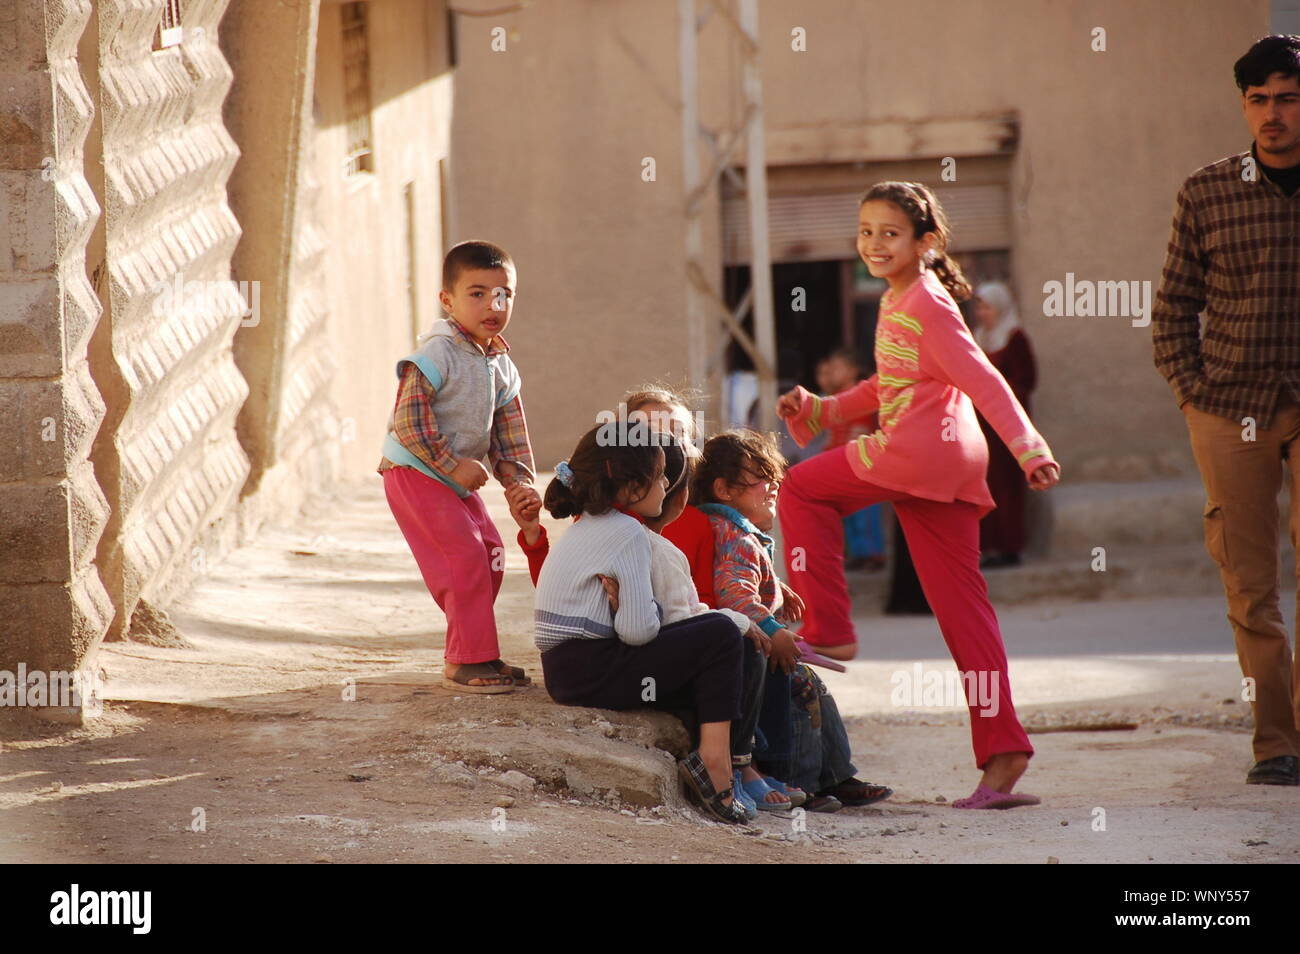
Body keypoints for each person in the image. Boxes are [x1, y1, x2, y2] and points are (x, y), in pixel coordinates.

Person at [777, 181, 1061, 808]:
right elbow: (890, 383)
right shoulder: (902, 297)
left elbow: (985, 379)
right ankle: (1004, 751)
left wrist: (1031, 448)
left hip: (917, 453)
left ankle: (829, 626)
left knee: (799, 487)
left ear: (925, 242)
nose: (874, 244)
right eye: (866, 232)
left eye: (890, 233)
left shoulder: (927, 304)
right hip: (947, 464)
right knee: (966, 615)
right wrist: (823, 409)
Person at [1152, 35, 1300, 787]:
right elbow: (1173, 307)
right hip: (1229, 406)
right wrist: (1191, 392)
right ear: (1244, 105)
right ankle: (1276, 742)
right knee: (1249, 585)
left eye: (1286, 97)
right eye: (1258, 100)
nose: (1271, 114)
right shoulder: (1207, 191)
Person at [530, 422, 750, 823]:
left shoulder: (590, 527)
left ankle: (710, 754)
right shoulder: (629, 533)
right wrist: (645, 608)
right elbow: (639, 632)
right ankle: (716, 762)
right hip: (592, 669)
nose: (667, 483)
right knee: (720, 632)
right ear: (632, 489)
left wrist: (636, 608)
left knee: (708, 639)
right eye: (660, 475)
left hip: (567, 670)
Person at [693, 428, 894, 812]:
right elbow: (734, 592)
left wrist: (776, 585)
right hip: (749, 646)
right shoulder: (733, 534)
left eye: (774, 479)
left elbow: (741, 575)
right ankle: (803, 781)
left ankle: (835, 776)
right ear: (724, 489)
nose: (773, 487)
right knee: (801, 689)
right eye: (760, 478)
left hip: (748, 641)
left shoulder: (731, 529)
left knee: (813, 687)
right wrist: (774, 630)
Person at [378, 240, 540, 694]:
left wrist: (518, 485)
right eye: (477, 293)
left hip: (452, 478)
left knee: (490, 555)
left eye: (503, 293)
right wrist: (452, 465)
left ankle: (476, 655)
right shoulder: (437, 353)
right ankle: (465, 661)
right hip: (415, 472)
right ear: (447, 300)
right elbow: (409, 423)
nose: (493, 303)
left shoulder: (500, 364)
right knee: (464, 555)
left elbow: (509, 436)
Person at [971, 281, 1039, 569]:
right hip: (981, 425)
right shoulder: (978, 338)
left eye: (986, 307)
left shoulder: (1015, 337)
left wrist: (997, 392)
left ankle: (1010, 546)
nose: (982, 313)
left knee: (1008, 485)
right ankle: (989, 548)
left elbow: (1027, 380)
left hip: (1008, 425)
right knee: (985, 485)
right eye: (979, 307)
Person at [821, 349, 887, 572]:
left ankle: (872, 554)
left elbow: (858, 432)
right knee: (850, 513)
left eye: (837, 368)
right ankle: (859, 554)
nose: (831, 373)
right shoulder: (838, 397)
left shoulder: (856, 396)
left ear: (852, 371)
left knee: (865, 512)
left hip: (860, 463)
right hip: (841, 462)